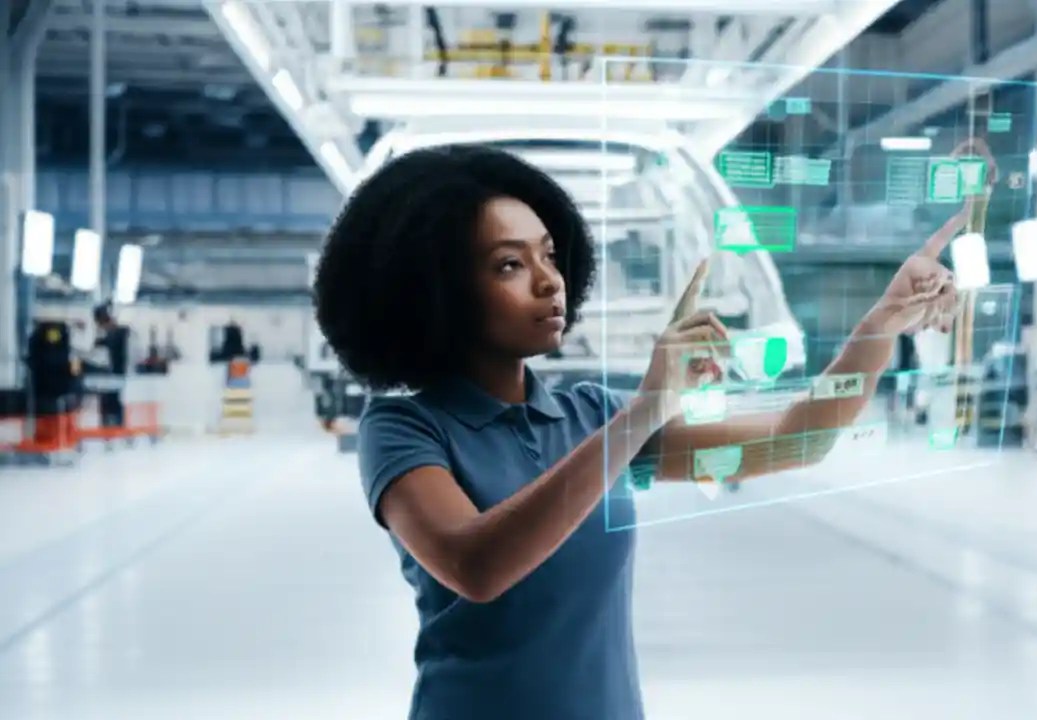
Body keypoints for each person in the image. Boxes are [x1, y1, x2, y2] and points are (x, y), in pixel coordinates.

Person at [312, 144, 968, 720]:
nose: (549, 280)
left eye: (548, 254)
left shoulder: (591, 418)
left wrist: (880, 324)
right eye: (509, 266)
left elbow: (798, 439)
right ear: (438, 291)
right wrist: (644, 412)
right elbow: (476, 565)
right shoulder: (404, 428)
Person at [90, 302, 129, 427]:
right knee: (109, 400)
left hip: (117, 375)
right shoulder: (113, 334)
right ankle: (110, 425)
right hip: (113, 375)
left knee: (113, 401)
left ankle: (114, 425)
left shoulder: (118, 334)